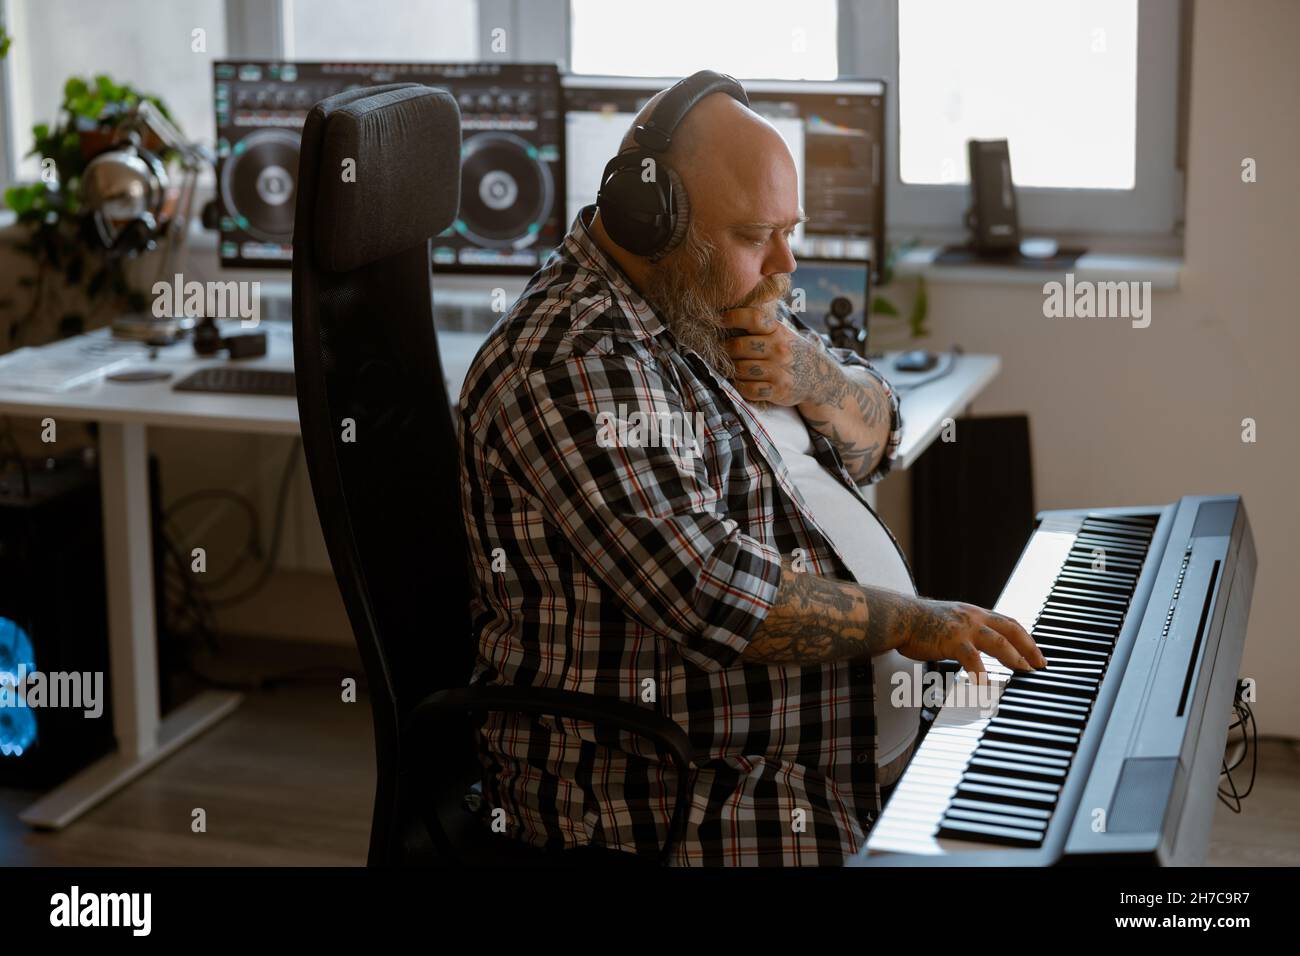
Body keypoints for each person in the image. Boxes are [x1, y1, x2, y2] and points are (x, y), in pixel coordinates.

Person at [457, 72, 1046, 866]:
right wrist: (913, 623)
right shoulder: (577, 357)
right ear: (651, 218)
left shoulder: (714, 295)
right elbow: (713, 593)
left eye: (787, 230)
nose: (785, 263)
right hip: (692, 798)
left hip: (828, 765)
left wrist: (816, 378)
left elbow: (883, 437)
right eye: (753, 235)